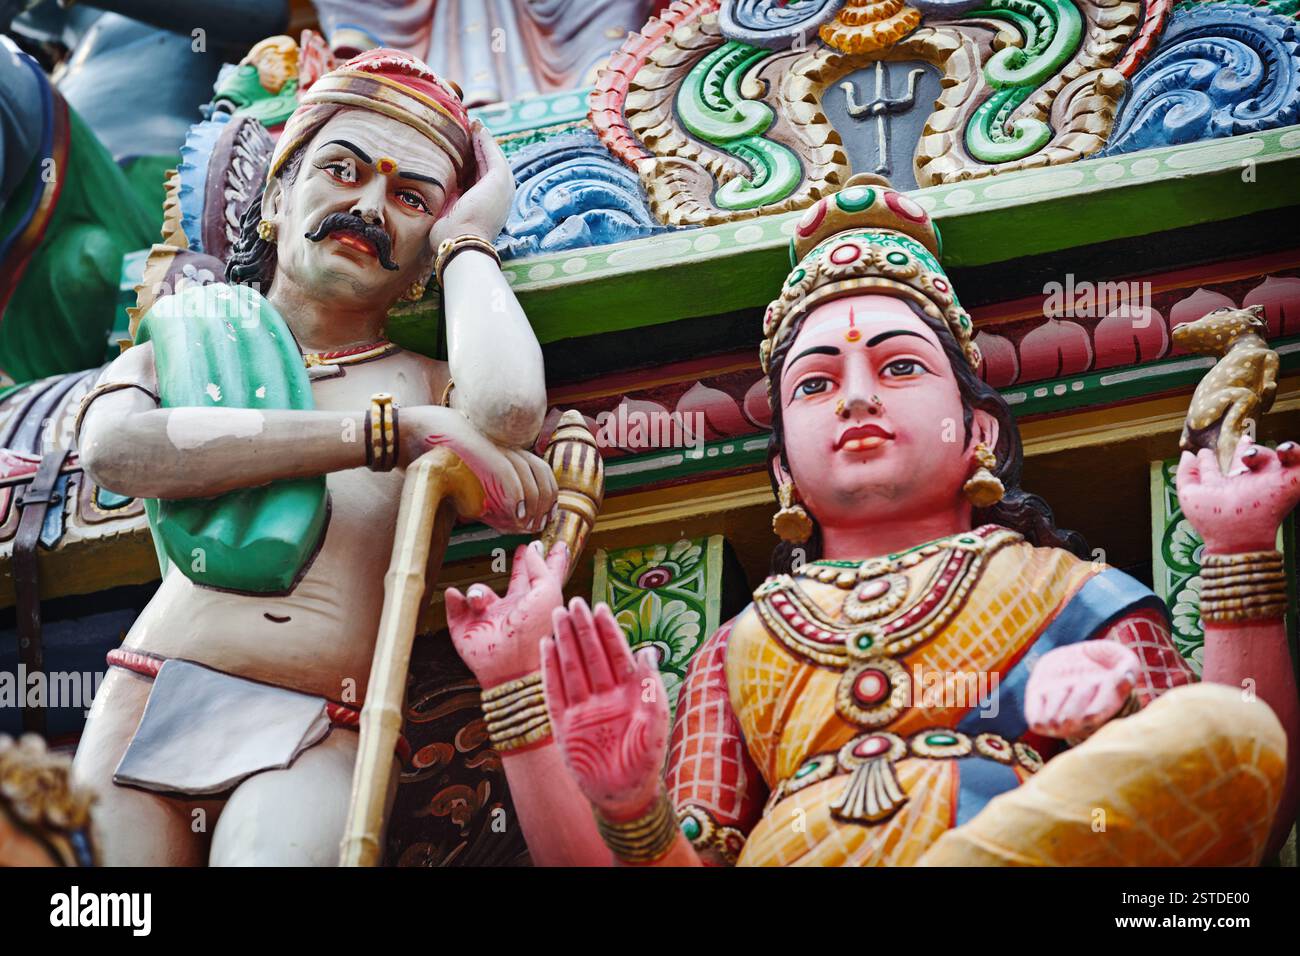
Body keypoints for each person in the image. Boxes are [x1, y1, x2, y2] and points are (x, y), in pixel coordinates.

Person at [448, 175, 1297, 866]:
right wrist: (624, 798)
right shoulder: (743, 647)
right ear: (784, 469)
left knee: (1220, 730)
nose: (855, 396)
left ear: (980, 431)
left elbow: (1241, 823)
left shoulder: (1073, 595)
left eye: (897, 366)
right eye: (815, 384)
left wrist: (1231, 558)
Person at [73, 49, 557, 865]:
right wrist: (386, 436)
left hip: (316, 723)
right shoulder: (192, 335)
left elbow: (509, 408)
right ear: (275, 196)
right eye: (343, 170)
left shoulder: (427, 381)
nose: (369, 207)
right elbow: (117, 451)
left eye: (410, 198)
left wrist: (469, 239)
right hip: (151, 693)